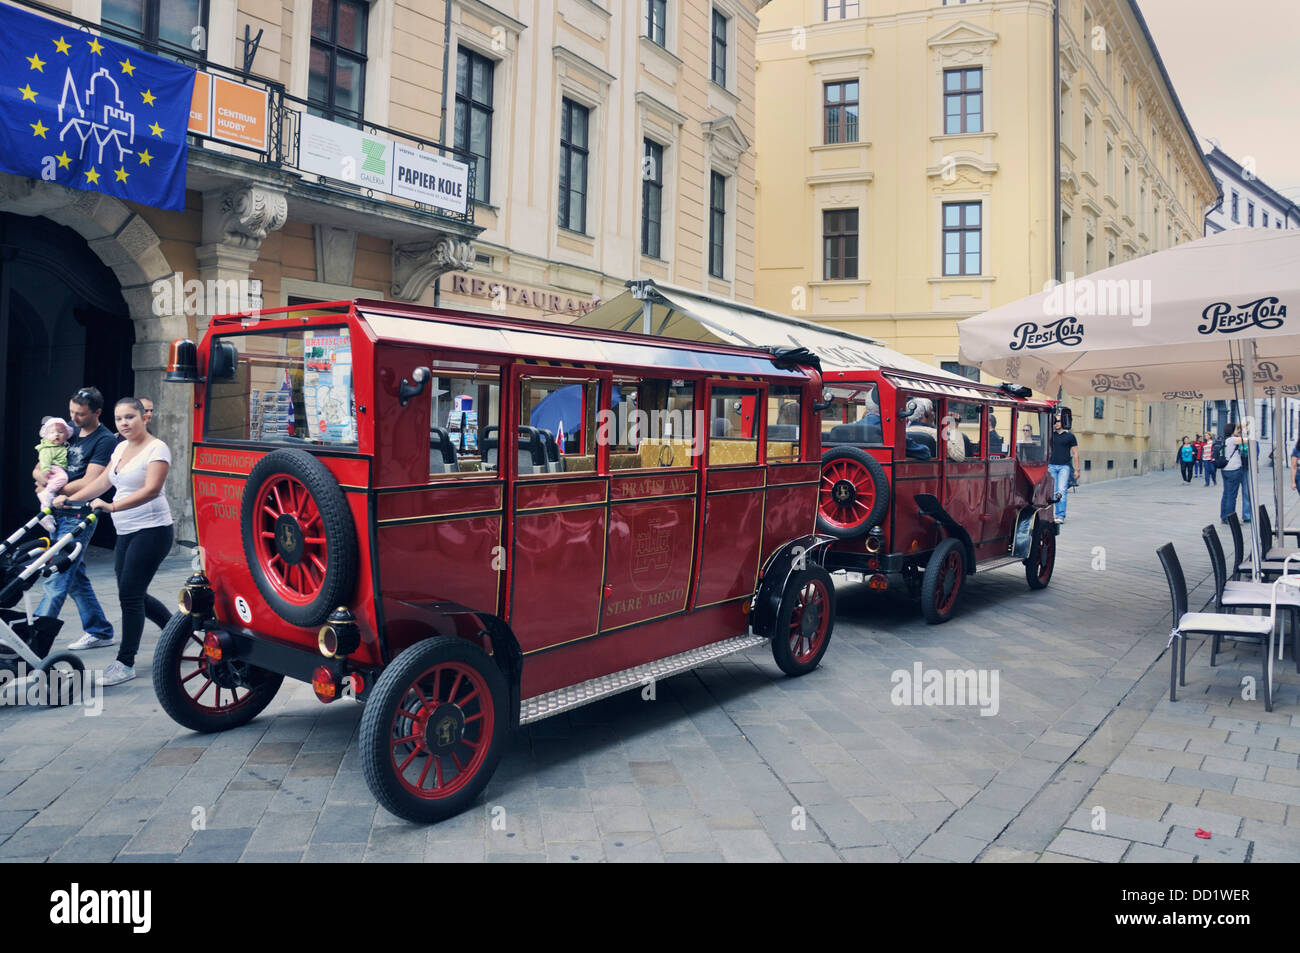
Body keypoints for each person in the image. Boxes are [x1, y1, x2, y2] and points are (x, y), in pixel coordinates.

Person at [54, 397, 173, 686]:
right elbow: (103, 482)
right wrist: (70, 499)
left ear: (144, 417)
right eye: (119, 419)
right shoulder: (120, 447)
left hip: (153, 530)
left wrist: (113, 507)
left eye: (130, 417)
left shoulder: (157, 448)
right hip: (126, 530)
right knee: (133, 592)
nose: (124, 423)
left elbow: (151, 489)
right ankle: (176, 631)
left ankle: (125, 662)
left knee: (130, 595)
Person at [35, 387, 116, 648]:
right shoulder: (66, 430)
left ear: (97, 412)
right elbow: (40, 465)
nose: (74, 418)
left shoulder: (104, 440)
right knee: (73, 574)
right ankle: (100, 630)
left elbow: (91, 481)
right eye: (72, 412)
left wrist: (55, 488)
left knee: (57, 576)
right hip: (56, 509)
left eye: (80, 414)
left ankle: (35, 637)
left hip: (78, 512)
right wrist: (42, 480)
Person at [33, 417, 73, 532]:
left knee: (48, 497)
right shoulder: (48, 448)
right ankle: (47, 492)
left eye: (60, 432)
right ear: (46, 435)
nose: (56, 435)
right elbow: (44, 460)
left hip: (56, 468)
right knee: (62, 478)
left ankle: (45, 517)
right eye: (52, 432)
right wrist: (44, 471)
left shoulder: (61, 446)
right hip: (53, 469)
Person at [1048, 413, 1080, 523]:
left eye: (1058, 421)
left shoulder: (1070, 436)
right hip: (1051, 466)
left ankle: (1060, 515)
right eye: (1055, 421)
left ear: (1063, 423)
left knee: (1061, 490)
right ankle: (1053, 515)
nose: (1056, 423)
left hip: (1064, 467)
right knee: (1053, 491)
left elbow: (1075, 453)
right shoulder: (1050, 435)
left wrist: (1077, 469)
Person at [1219, 422, 1251, 524]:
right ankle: (1231, 518)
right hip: (1234, 470)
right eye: (1236, 430)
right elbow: (1249, 441)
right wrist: (1246, 431)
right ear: (1232, 431)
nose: (1238, 431)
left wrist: (1241, 427)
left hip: (1225, 469)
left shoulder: (1225, 440)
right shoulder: (1233, 440)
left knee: (1226, 494)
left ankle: (1224, 516)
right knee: (1232, 495)